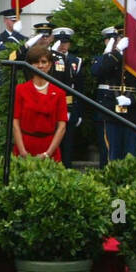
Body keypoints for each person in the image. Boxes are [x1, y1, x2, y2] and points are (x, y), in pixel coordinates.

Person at [91, 26, 136, 165]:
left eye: (121, 39)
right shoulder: (106, 58)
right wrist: (116, 52)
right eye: (115, 39)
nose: (118, 41)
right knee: (112, 153)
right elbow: (98, 71)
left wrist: (131, 100)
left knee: (131, 154)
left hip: (132, 112)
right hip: (110, 111)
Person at [12, 42, 68, 160]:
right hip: (24, 146)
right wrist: (23, 152)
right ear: (30, 65)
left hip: (50, 147)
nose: (40, 66)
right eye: (36, 62)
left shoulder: (59, 92)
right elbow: (15, 123)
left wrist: (47, 153)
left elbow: (62, 126)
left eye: (44, 62)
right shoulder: (21, 89)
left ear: (50, 65)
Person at [48, 27, 85, 167]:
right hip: (51, 104)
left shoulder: (76, 60)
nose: (63, 45)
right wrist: (53, 54)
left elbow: (80, 88)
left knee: (68, 142)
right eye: (60, 42)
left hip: (69, 105)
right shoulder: (48, 58)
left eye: (65, 42)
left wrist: (78, 112)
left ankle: (67, 168)